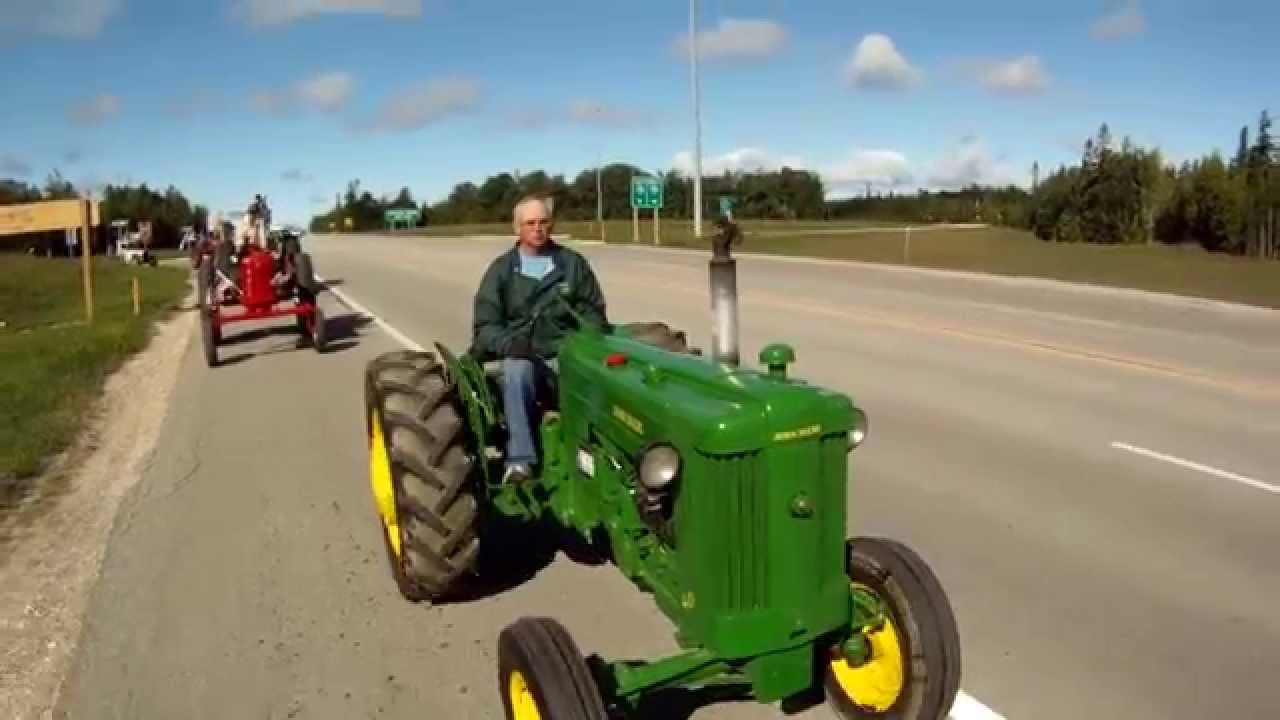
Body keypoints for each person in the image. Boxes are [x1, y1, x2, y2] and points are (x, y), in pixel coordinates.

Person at [471, 194, 608, 483]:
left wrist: (581, 345)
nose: (537, 229)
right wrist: (509, 345)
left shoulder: (572, 265)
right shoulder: (501, 271)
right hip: (524, 358)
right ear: (517, 228)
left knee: (602, 374)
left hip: (565, 355)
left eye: (543, 222)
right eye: (530, 223)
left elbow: (593, 314)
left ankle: (598, 460)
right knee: (516, 371)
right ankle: (520, 462)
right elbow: (485, 326)